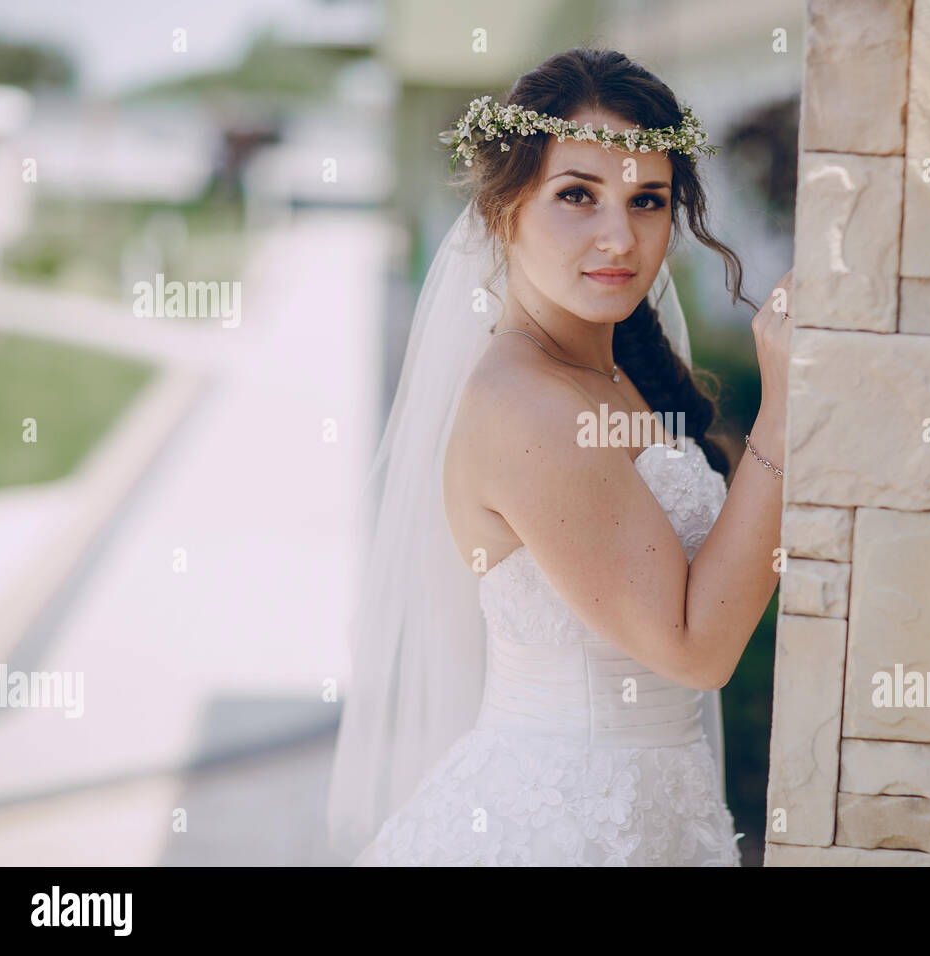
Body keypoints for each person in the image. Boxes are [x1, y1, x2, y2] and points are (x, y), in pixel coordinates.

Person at [328, 47, 792, 866]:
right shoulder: (525, 406)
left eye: (646, 200)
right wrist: (785, 416)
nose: (620, 236)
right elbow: (697, 649)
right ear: (505, 208)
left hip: (658, 813)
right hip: (558, 827)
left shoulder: (610, 376)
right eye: (577, 195)